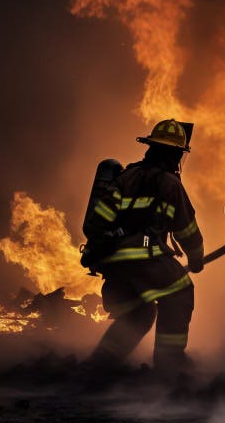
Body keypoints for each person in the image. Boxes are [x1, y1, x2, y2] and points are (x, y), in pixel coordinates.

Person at [86, 119, 204, 374]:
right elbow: (187, 230)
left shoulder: (125, 177)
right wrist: (196, 259)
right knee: (181, 290)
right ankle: (170, 363)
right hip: (145, 256)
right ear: (175, 154)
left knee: (139, 314)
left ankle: (99, 365)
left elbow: (98, 221)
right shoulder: (171, 184)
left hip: (113, 260)